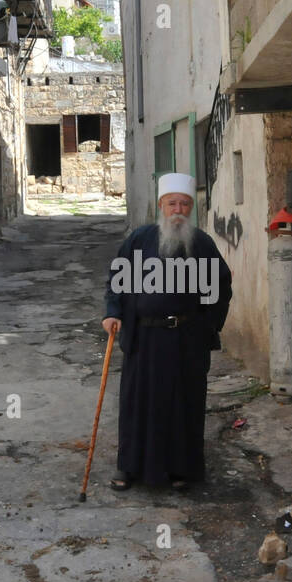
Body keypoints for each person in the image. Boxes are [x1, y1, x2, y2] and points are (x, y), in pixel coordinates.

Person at [102, 173, 232, 491]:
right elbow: (117, 280)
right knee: (138, 404)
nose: (178, 209)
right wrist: (112, 313)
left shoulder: (201, 243)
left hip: (185, 340)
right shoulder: (139, 239)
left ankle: (180, 469)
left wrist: (208, 326)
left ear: (191, 208)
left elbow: (222, 287)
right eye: (172, 203)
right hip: (145, 340)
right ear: (161, 206)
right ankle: (129, 468)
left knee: (183, 404)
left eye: (184, 204)